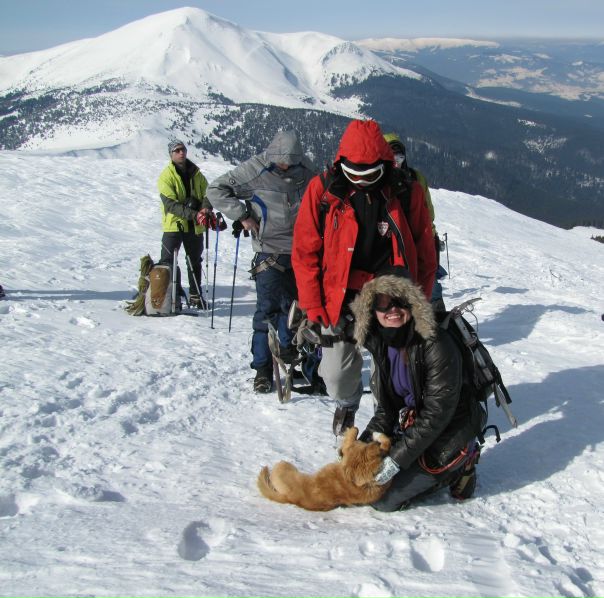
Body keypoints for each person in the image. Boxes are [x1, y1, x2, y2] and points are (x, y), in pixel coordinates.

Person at [291, 119, 437, 436]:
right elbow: (305, 251)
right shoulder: (324, 189)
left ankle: (387, 423)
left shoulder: (405, 191)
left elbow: (425, 251)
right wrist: (312, 304)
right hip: (339, 297)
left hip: (391, 297)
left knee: (392, 373)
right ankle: (347, 403)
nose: (361, 182)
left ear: (383, 165)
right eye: (353, 175)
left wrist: (420, 300)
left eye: (369, 176)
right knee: (336, 374)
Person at [349, 270, 483, 511]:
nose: (392, 309)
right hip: (418, 426)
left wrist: (394, 461)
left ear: (413, 303)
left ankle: (460, 465)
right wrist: (360, 449)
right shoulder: (381, 343)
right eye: (383, 302)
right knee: (357, 482)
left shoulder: (436, 344)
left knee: (381, 499)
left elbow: (436, 415)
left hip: (451, 431)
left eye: (400, 300)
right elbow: (387, 410)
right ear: (371, 308)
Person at [207, 130, 315, 393]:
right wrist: (242, 215)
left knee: (296, 311)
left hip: (302, 251)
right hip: (269, 251)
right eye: (282, 161)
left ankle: (289, 358)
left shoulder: (306, 170)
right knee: (267, 312)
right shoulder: (255, 169)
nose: (286, 166)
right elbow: (215, 190)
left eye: (290, 161)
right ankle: (263, 370)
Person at [383, 132, 447, 311]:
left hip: (415, 237)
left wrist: (430, 236)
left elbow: (427, 211)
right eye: (392, 157)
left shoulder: (415, 179)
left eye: (399, 157)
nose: (396, 161)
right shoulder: (382, 181)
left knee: (428, 280)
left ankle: (434, 315)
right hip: (394, 242)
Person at [158, 139, 214, 308]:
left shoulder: (196, 173)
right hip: (174, 224)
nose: (181, 153)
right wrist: (196, 215)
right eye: (177, 150)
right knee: (168, 261)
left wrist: (205, 208)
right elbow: (170, 205)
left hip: (194, 225)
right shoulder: (166, 176)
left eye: (183, 149)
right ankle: (170, 296)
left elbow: (208, 193)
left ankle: (195, 295)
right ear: (171, 154)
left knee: (194, 260)